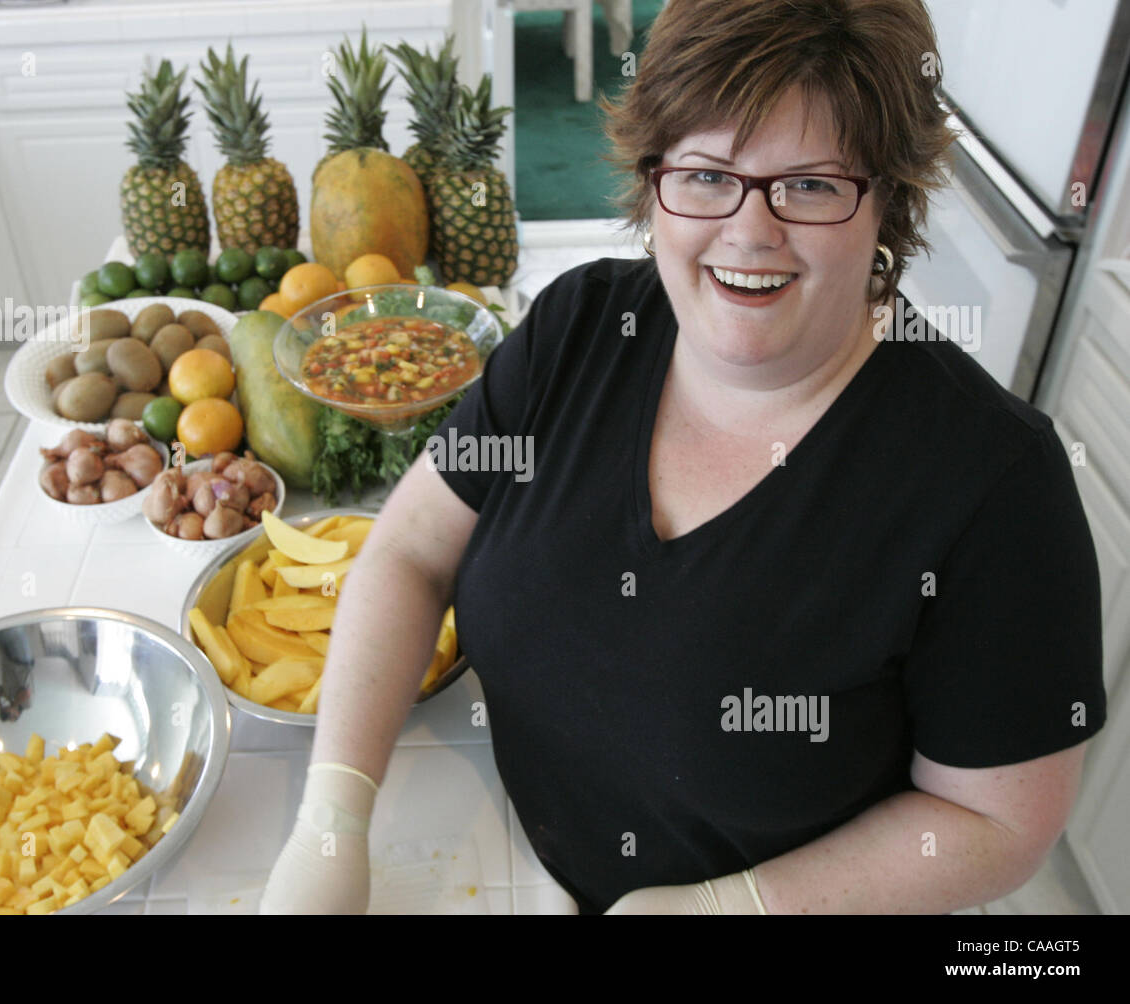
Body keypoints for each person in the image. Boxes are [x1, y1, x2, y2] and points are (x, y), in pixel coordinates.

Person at [261, 0, 1106, 915]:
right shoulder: (577, 328)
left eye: (812, 186)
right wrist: (333, 815)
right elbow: (411, 551)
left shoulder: (997, 487)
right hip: (505, 863)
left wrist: (735, 907)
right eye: (706, 175)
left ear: (890, 201)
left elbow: (996, 823)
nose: (749, 231)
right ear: (653, 176)